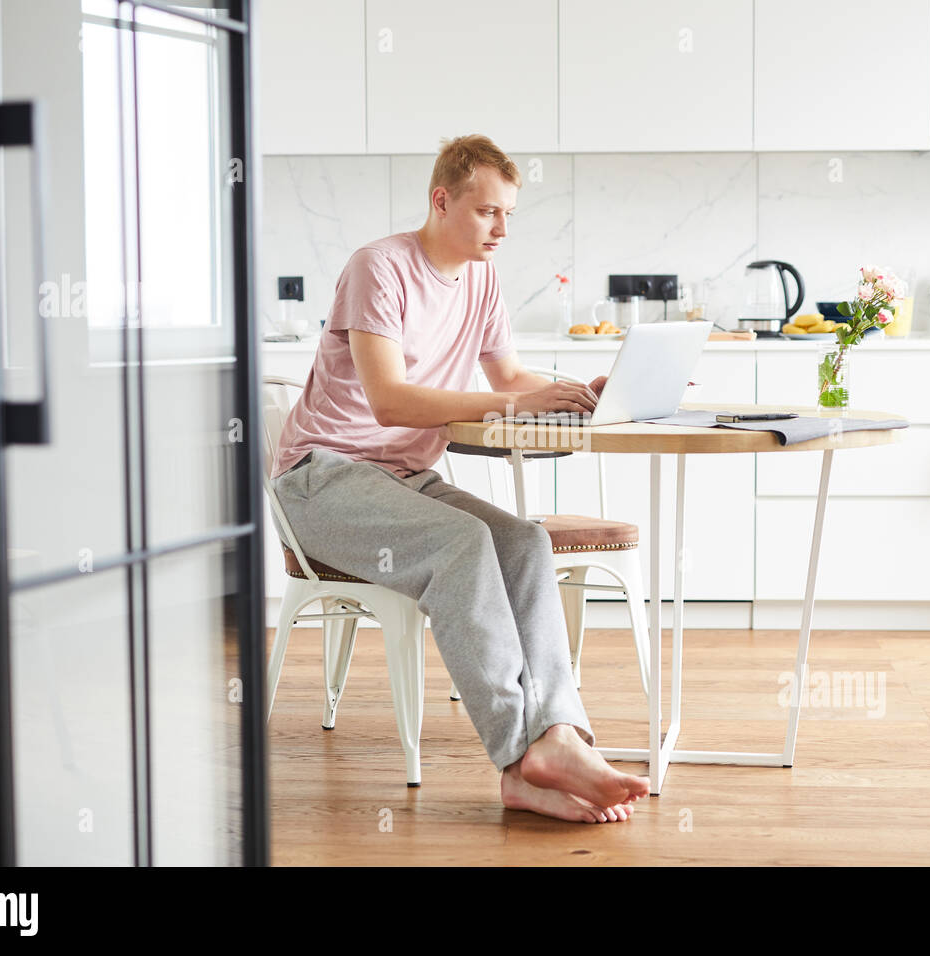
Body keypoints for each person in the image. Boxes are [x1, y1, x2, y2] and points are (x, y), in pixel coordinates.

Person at [269, 134, 649, 823]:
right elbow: (391, 400)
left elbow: (510, 379)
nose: (501, 229)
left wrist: (575, 392)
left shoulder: (480, 278)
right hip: (319, 480)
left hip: (400, 479)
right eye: (486, 212)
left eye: (508, 214)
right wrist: (514, 402)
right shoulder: (377, 269)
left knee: (525, 543)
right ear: (441, 200)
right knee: (464, 543)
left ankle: (557, 736)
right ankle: (520, 755)